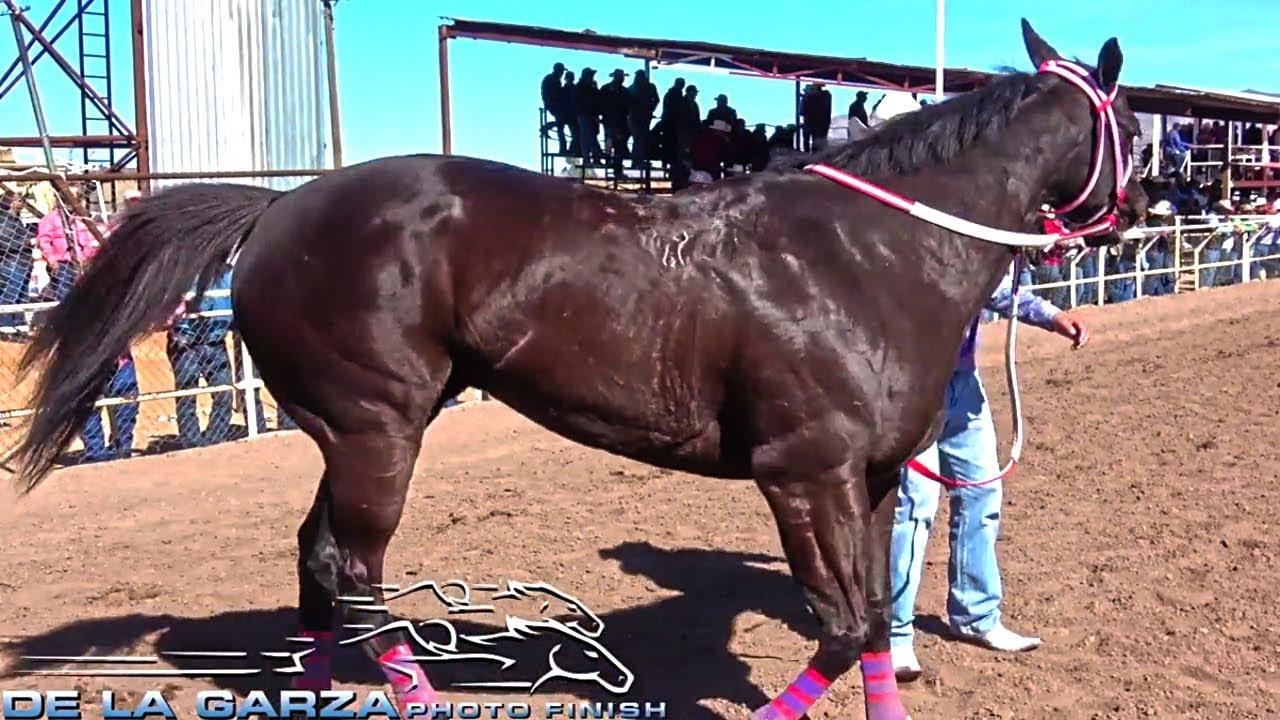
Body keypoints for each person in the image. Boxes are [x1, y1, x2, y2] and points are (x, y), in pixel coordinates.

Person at [889, 261, 1090, 681]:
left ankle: (976, 615)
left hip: (963, 385)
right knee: (915, 506)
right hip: (913, 385)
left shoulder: (970, 245)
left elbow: (997, 287)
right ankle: (893, 633)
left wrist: (1052, 317)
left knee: (981, 493)